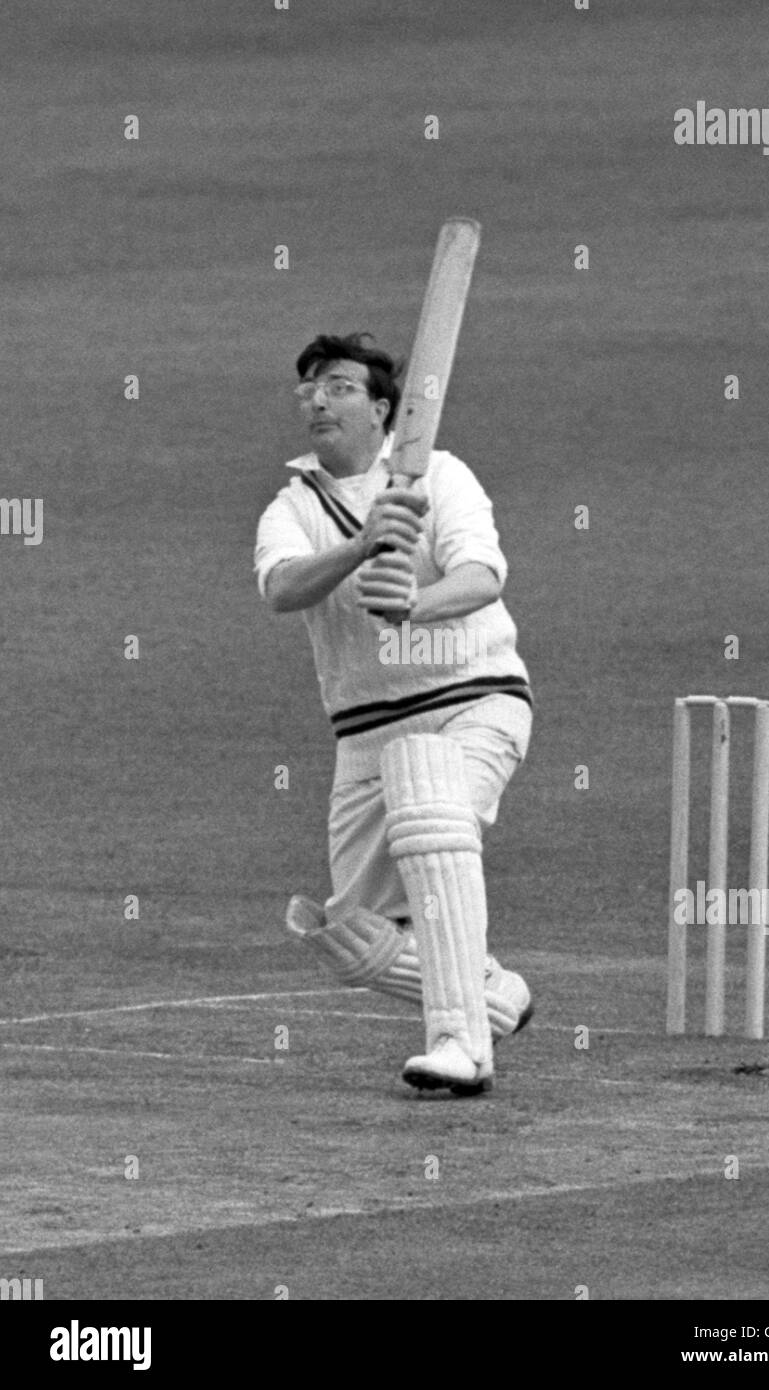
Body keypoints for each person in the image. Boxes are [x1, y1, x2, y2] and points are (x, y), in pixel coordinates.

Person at [254, 333, 533, 1096]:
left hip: (472, 700)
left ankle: (458, 1045)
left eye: (339, 386)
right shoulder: (292, 505)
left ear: (383, 410)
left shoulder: (439, 475)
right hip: (366, 732)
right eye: (308, 386)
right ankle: (492, 993)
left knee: (432, 810)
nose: (318, 398)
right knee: (350, 935)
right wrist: (363, 545)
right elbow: (281, 589)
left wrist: (413, 605)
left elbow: (480, 576)